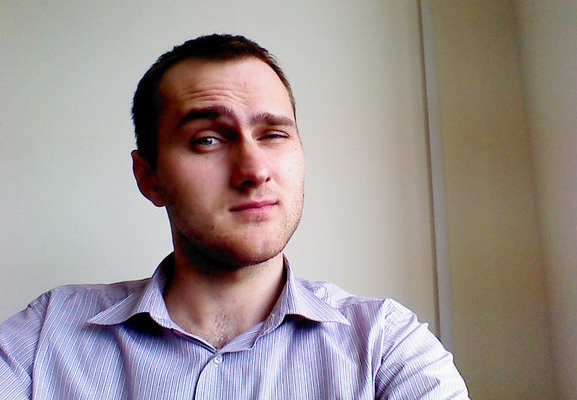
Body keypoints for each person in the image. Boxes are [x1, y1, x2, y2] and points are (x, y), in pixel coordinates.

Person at [0, 34, 469, 399]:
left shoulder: (386, 347)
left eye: (273, 135)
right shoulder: (45, 339)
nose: (254, 171)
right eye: (208, 139)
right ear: (149, 177)